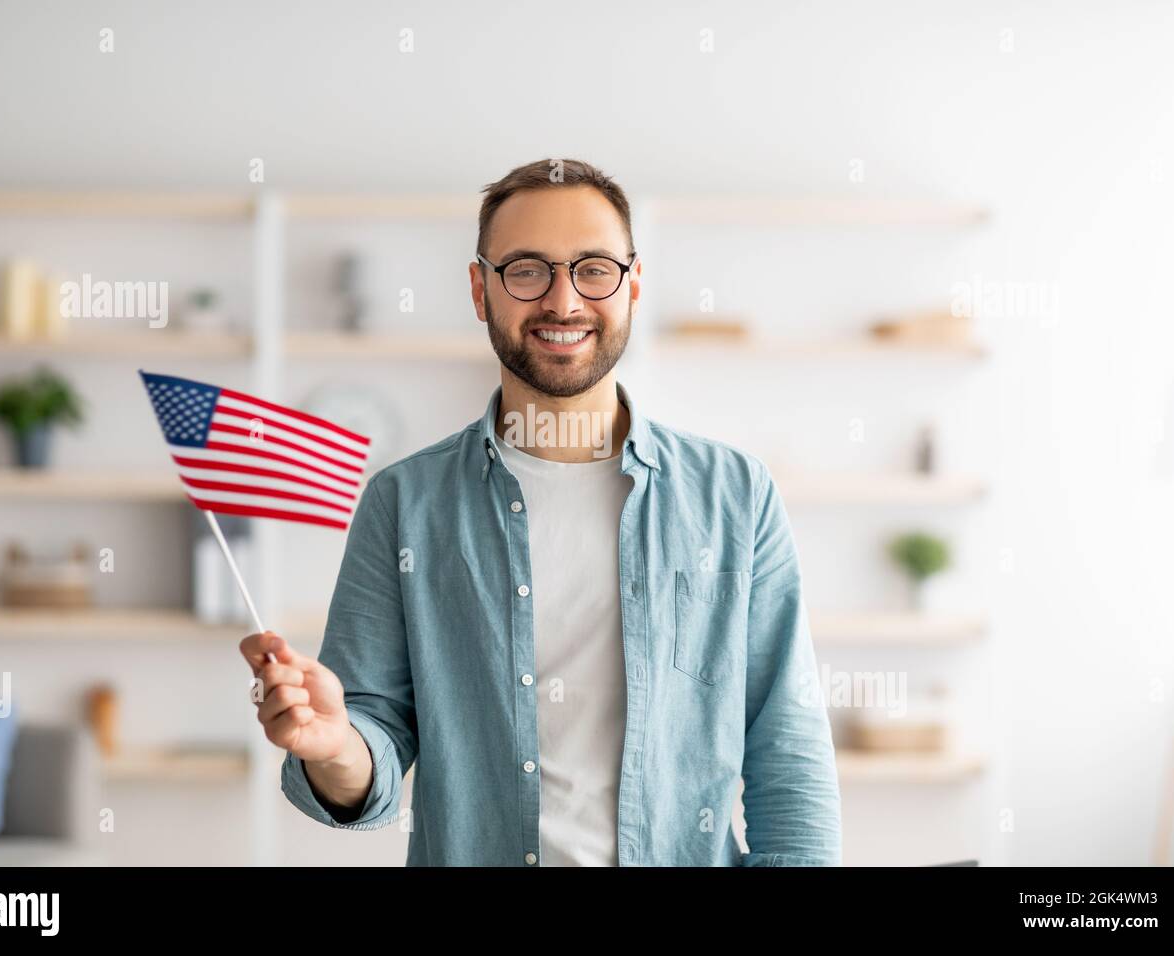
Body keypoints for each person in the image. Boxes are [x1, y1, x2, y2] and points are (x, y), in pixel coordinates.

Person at [239, 157, 841, 866]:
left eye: (593, 269)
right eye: (527, 270)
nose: (563, 301)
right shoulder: (404, 502)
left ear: (633, 286)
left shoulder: (735, 495)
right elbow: (367, 750)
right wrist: (334, 743)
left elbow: (788, 754)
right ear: (479, 289)